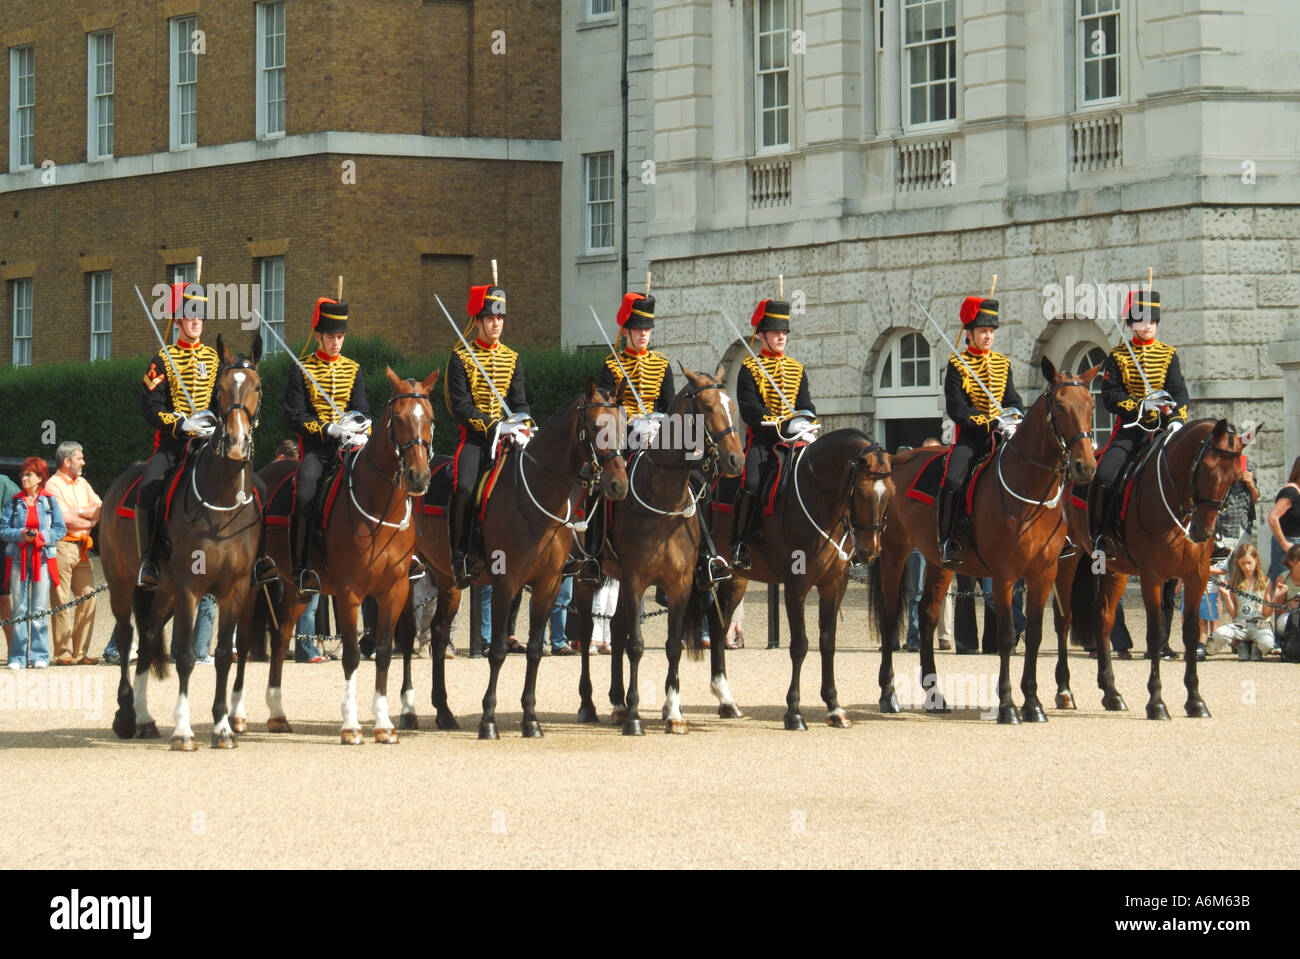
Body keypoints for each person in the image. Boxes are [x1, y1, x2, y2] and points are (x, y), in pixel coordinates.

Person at [581, 287, 674, 583]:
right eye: (637, 328)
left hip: (657, 436)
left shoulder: (662, 364)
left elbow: (669, 405)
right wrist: (633, 424)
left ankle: (702, 555)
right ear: (626, 331)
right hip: (623, 437)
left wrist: (661, 423)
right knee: (600, 484)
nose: (643, 334)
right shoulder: (612, 365)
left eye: (647, 328)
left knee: (696, 480)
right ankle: (594, 555)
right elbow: (607, 408)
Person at [444, 276, 531, 588]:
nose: (496, 324)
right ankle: (460, 555)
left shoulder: (512, 358)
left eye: (500, 318)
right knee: (464, 486)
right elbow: (461, 407)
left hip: (509, 442)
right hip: (477, 441)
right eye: (491, 318)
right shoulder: (461, 358)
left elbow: (520, 402)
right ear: (477, 321)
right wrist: (495, 426)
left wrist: (522, 425)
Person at [1089, 288, 1189, 561]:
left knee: (1194, 470)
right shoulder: (1119, 356)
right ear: (1131, 324)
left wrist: (1178, 419)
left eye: (1152, 322)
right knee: (1104, 475)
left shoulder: (1168, 355)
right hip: (1132, 431)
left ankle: (1201, 537)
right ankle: (1100, 534)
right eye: (1142, 321)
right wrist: (1141, 405)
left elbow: (1179, 391)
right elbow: (1110, 396)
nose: (1148, 327)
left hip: (1165, 430)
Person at [283, 295, 371, 599]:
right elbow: (295, 416)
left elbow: (362, 409)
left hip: (350, 449)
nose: (336, 343)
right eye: (331, 337)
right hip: (318, 450)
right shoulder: (302, 369)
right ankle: (302, 566)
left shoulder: (353, 369)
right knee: (305, 490)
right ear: (319, 335)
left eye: (340, 337)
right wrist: (329, 429)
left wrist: (360, 428)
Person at [723, 293, 817, 570]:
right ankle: (739, 542)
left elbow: (806, 404)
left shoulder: (797, 369)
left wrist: (805, 420)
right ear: (761, 336)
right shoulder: (749, 369)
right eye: (775, 332)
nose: (781, 337)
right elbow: (750, 411)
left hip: (795, 442)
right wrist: (780, 423)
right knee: (751, 482)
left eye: (784, 332)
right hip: (764, 443)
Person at [939, 295, 1024, 567]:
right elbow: (958, 410)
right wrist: (990, 423)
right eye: (983, 331)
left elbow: (1013, 399)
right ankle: (947, 539)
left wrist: (1013, 416)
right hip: (972, 438)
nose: (988, 336)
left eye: (991, 331)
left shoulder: (1002, 363)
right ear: (970, 333)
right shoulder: (957, 365)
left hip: (1004, 437)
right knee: (952, 480)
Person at [3, 457, 65, 669]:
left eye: (29, 474)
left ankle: (39, 655)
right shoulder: (14, 501)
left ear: (40, 477)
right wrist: (21, 534)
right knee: (19, 608)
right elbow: (3, 530)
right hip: (19, 559)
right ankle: (17, 657)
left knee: (38, 609)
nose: (24, 478)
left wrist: (40, 537)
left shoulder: (49, 500)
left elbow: (60, 529)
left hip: (43, 559)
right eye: (23, 474)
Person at [44, 441, 102, 665]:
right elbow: (62, 518)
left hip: (83, 548)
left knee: (89, 598)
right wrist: (86, 521)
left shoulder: (84, 483)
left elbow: (100, 508)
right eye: (80, 458)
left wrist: (78, 513)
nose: (83, 462)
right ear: (67, 461)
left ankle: (80, 652)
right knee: (60, 599)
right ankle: (63, 653)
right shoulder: (53, 485)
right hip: (62, 547)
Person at [1210, 544, 1276, 661]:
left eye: (1249, 563)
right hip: (1241, 625)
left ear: (1256, 560)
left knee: (1268, 644)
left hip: (1259, 625)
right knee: (1218, 634)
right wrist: (1226, 596)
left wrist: (1275, 598)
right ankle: (1241, 644)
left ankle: (1256, 646)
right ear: (1237, 563)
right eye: (1243, 563)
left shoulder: (1265, 581)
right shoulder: (1233, 582)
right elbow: (1234, 614)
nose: (1246, 567)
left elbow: (1266, 614)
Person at [1265, 456, 1300, 580]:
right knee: (1282, 588)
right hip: (1287, 545)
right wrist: (1285, 544)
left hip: (1297, 545)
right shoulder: (1290, 492)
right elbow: (1272, 518)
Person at [0, 470, 18, 659]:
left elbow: (20, 509)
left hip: (1, 546)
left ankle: (14, 649)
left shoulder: (3, 483)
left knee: (3, 599)